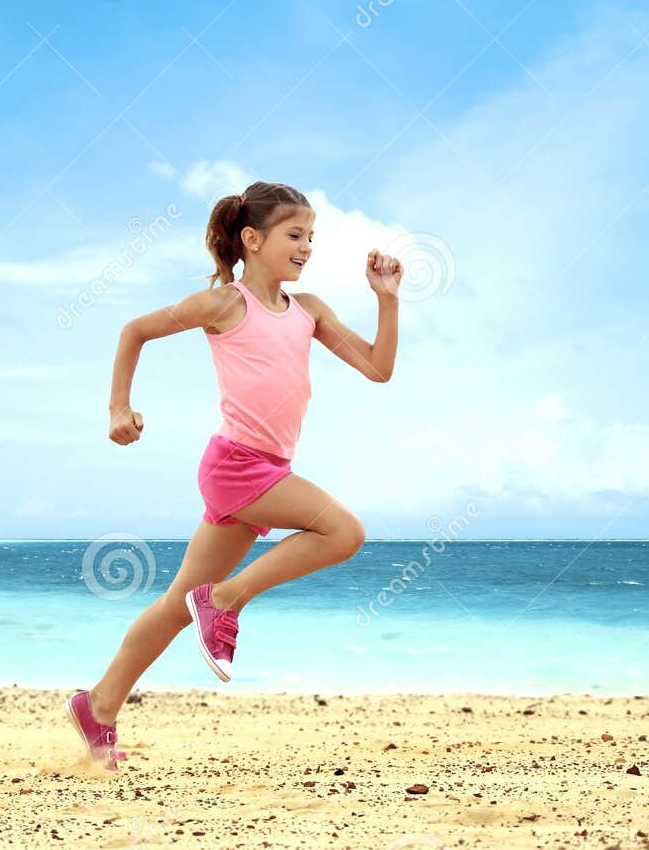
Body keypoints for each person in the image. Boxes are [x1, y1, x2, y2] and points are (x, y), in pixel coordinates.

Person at [65, 180, 401, 769]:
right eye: (295, 236)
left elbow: (378, 368)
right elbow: (134, 331)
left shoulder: (310, 311)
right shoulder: (226, 304)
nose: (307, 247)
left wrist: (388, 298)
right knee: (343, 532)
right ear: (252, 239)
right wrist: (118, 409)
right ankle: (224, 600)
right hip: (237, 465)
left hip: (267, 469)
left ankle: (99, 705)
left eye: (311, 238)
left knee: (175, 605)